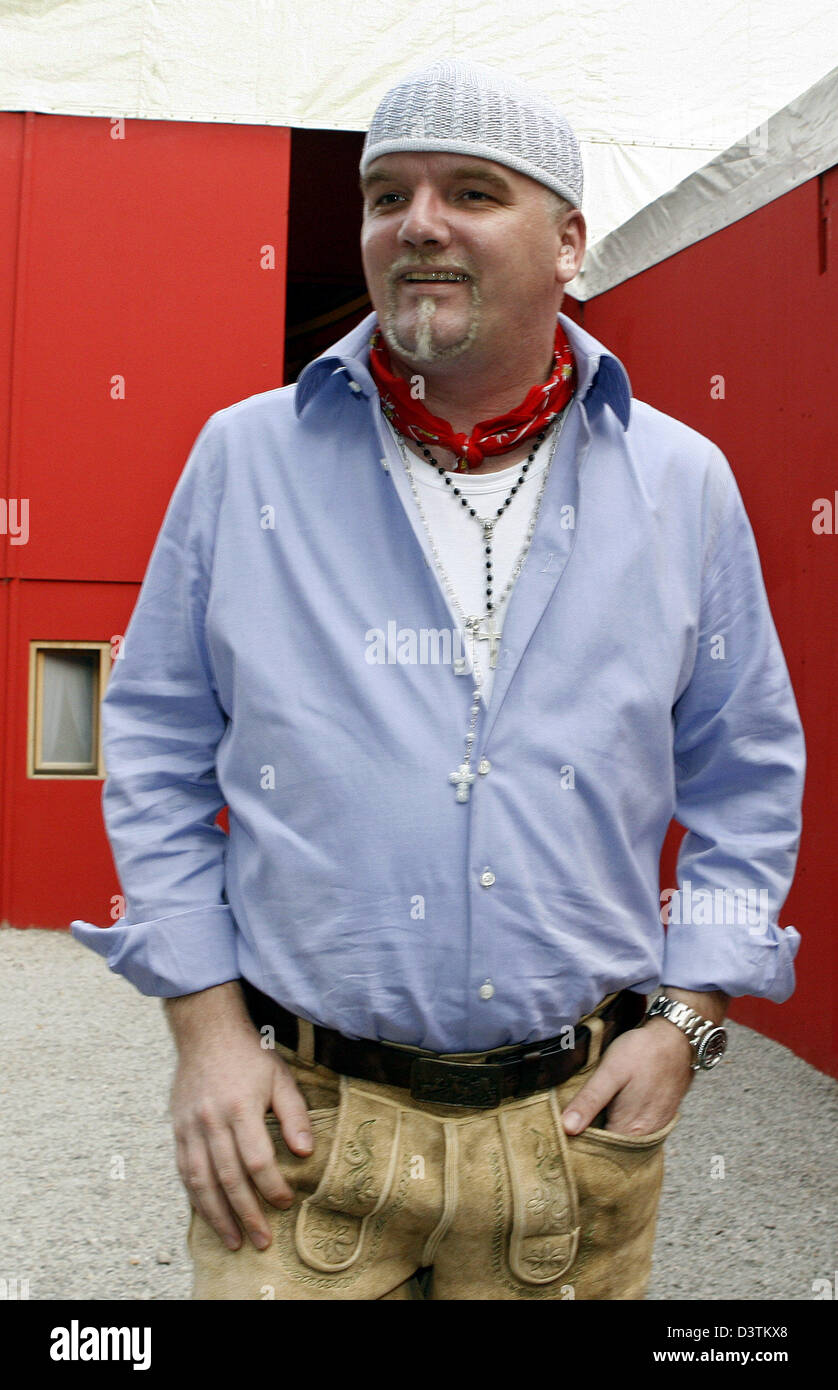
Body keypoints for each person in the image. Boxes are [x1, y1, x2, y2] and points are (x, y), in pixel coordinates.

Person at [71, 58, 805, 1301]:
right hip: (294, 1131)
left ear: (568, 241)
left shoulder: (682, 483)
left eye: (472, 191)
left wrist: (688, 1016)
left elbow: (746, 772)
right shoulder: (245, 459)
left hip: (570, 1143)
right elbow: (150, 743)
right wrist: (203, 1031)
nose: (416, 223)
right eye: (384, 194)